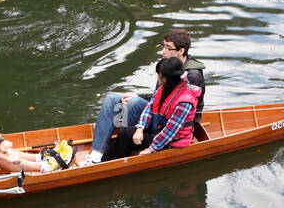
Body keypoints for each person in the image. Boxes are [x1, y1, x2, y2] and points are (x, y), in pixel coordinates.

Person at [85, 29, 206, 164]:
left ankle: (126, 147)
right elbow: (156, 98)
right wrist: (139, 102)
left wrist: (151, 148)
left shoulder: (190, 79)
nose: (163, 51)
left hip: (176, 121)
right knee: (112, 99)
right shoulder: (167, 67)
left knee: (133, 105)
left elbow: (174, 124)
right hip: (164, 110)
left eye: (168, 47)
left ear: (181, 51)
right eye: (163, 46)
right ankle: (97, 152)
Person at [102, 57, 200, 161]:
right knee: (129, 132)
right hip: (158, 131)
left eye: (159, 74)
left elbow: (170, 132)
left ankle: (104, 164)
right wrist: (140, 128)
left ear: (165, 78)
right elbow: (149, 108)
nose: (157, 77)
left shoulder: (185, 102)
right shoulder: (165, 87)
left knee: (127, 134)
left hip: (171, 143)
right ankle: (109, 159)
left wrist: (151, 149)